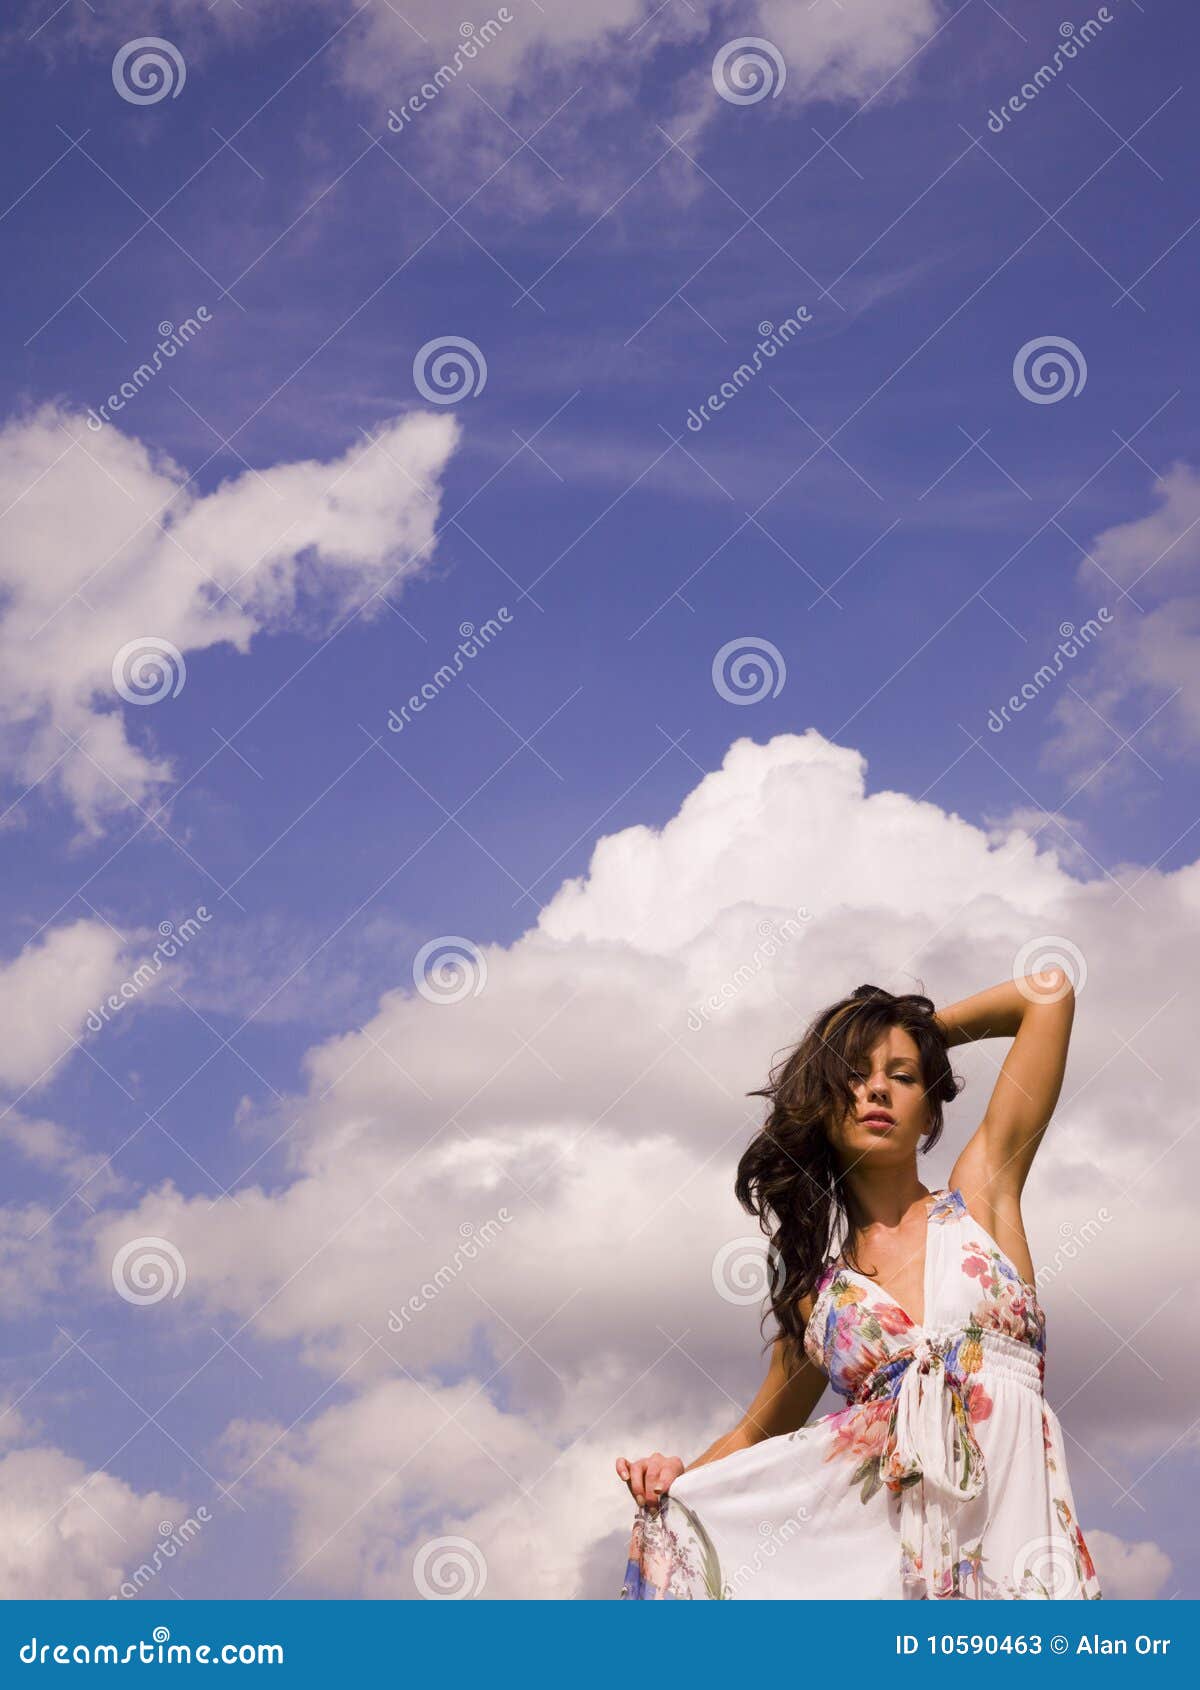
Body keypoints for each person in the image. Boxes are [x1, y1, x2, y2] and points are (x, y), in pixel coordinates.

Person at [615, 974, 1102, 1600]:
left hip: (1027, 1562)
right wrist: (675, 1479)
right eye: (852, 1074)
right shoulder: (823, 1298)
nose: (877, 1087)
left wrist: (920, 1039)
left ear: (928, 1106)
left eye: (901, 1077)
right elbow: (755, 1435)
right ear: (821, 1102)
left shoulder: (983, 1197)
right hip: (892, 1584)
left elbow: (1048, 994)